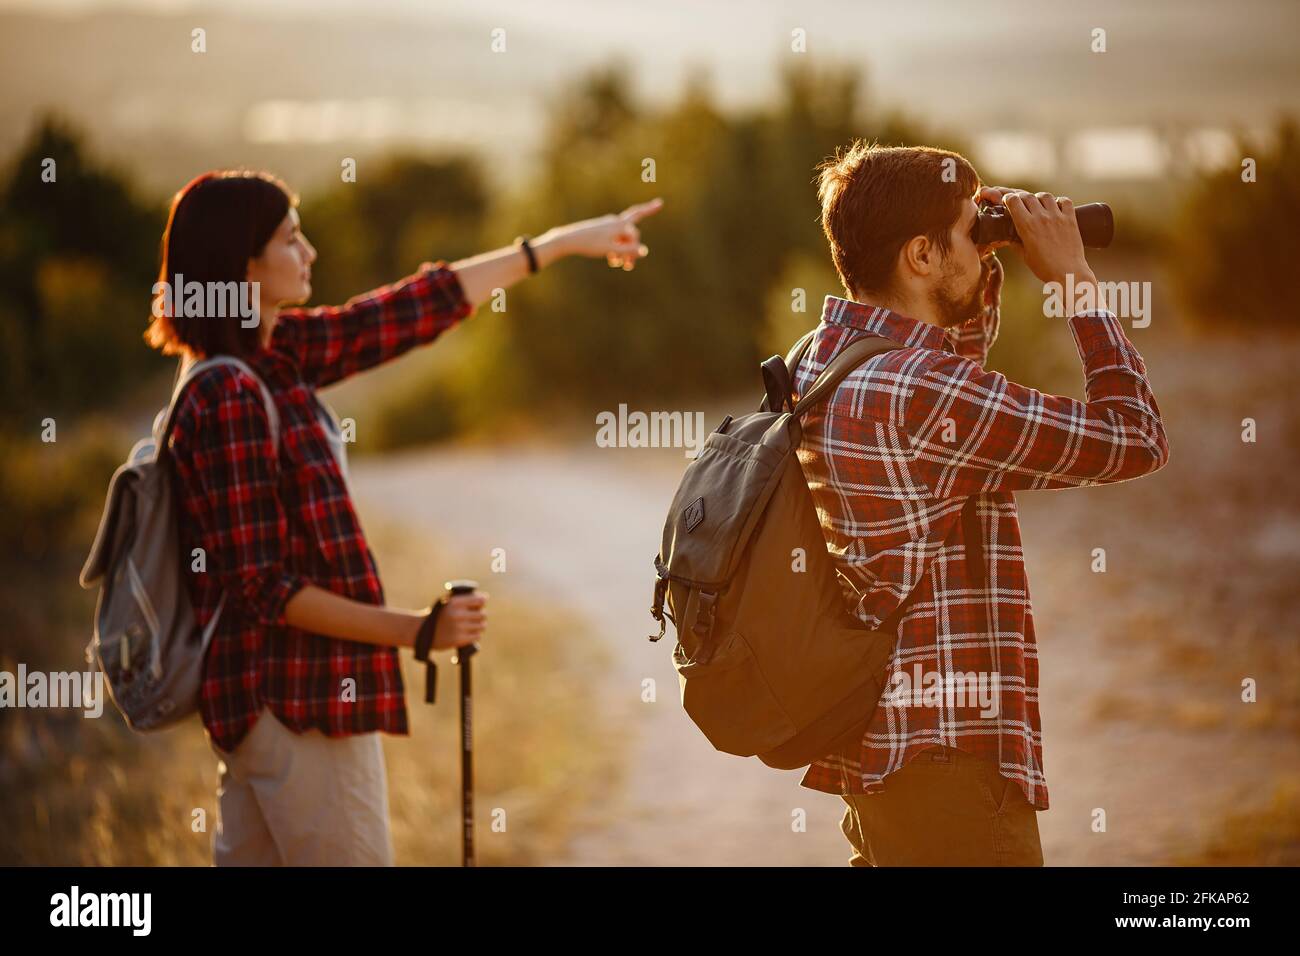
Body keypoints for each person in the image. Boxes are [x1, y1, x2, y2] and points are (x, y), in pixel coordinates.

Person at [144, 169, 661, 865]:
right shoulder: (232, 394)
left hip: (264, 709)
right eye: (291, 240)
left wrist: (561, 244)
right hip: (299, 706)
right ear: (242, 264)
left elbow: (413, 309)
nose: (311, 253)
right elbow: (263, 587)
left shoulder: (275, 356)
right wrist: (417, 631)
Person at [793, 142, 1169, 865]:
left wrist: (980, 236)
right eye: (971, 231)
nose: (982, 242)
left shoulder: (825, 356)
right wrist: (1077, 285)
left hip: (880, 752)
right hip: (952, 764)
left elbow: (946, 349)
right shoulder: (925, 393)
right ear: (921, 257)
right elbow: (1136, 435)